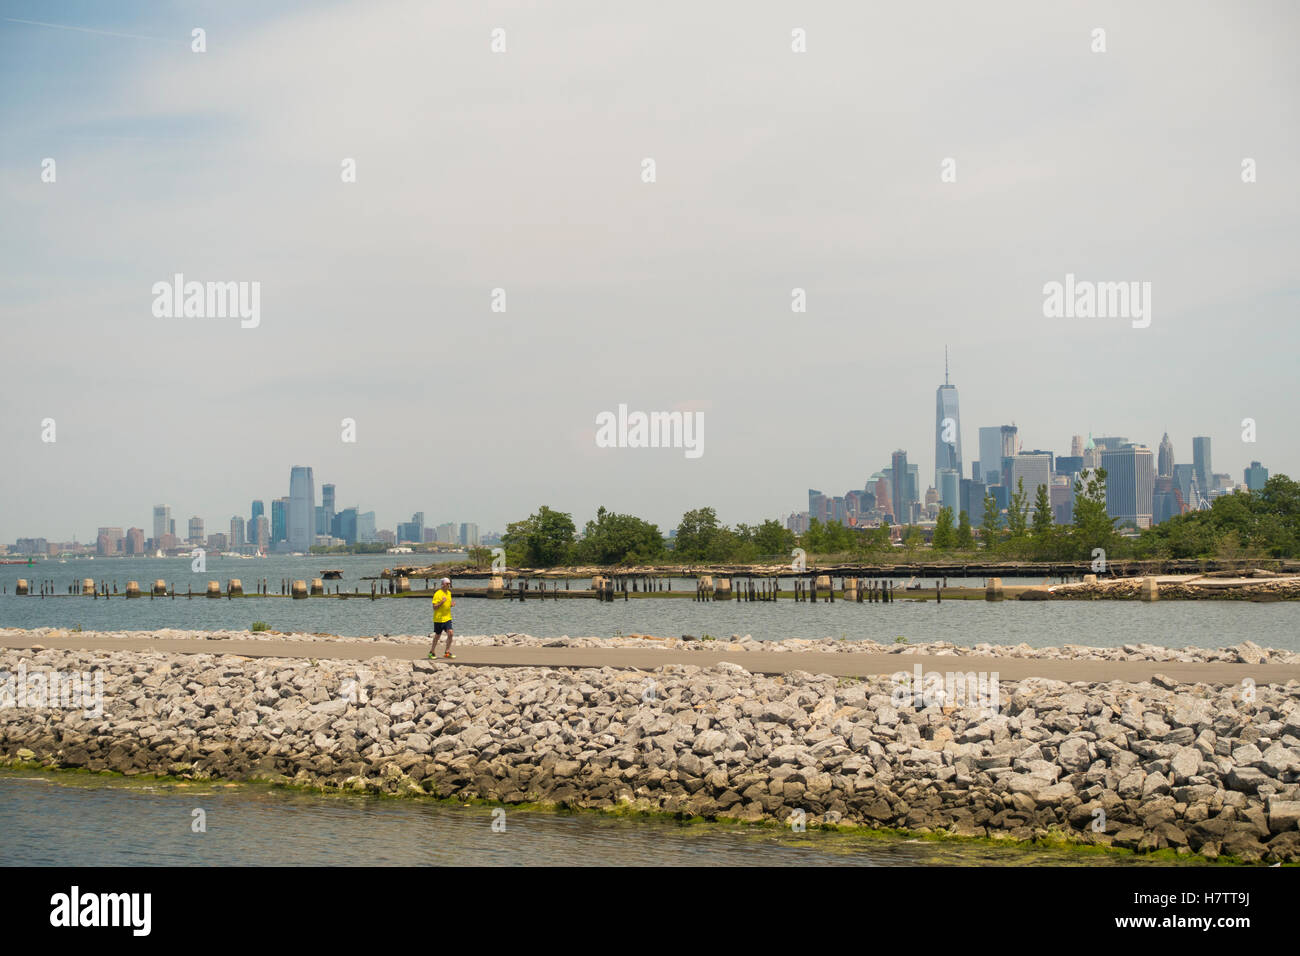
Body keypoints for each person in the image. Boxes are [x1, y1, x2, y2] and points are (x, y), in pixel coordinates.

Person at [429, 577, 455, 659]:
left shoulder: (449, 593)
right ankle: (432, 651)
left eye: (449, 584)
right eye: (447, 584)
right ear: (443, 584)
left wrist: (451, 605)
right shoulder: (437, 594)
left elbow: (448, 604)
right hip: (438, 619)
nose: (448, 585)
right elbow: (434, 607)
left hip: (447, 618)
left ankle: (447, 652)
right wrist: (441, 602)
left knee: (451, 633)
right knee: (437, 636)